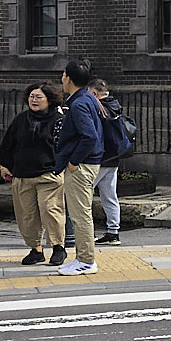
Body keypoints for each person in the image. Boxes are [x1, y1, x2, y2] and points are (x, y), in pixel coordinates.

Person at [0, 83, 66, 266]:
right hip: (22, 175)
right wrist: (4, 164)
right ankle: (36, 250)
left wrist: (59, 167)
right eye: (31, 97)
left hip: (48, 176)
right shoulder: (21, 119)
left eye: (38, 97)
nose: (34, 100)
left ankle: (58, 248)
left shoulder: (58, 120)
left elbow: (64, 146)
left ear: (49, 100)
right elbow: (8, 143)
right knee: (27, 215)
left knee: (50, 211)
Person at [54, 59, 105, 275]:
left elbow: (89, 136)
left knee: (80, 214)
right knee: (81, 213)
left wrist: (73, 162)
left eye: (64, 75)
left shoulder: (79, 103)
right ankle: (83, 258)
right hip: (88, 163)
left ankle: (86, 260)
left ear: (69, 78)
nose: (62, 78)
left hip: (81, 166)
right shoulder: (87, 98)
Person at [92, 79, 128, 245]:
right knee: (110, 196)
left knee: (83, 196)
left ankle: (85, 232)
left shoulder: (97, 108)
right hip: (113, 158)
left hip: (98, 158)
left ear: (94, 94)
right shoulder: (115, 106)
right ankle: (113, 232)